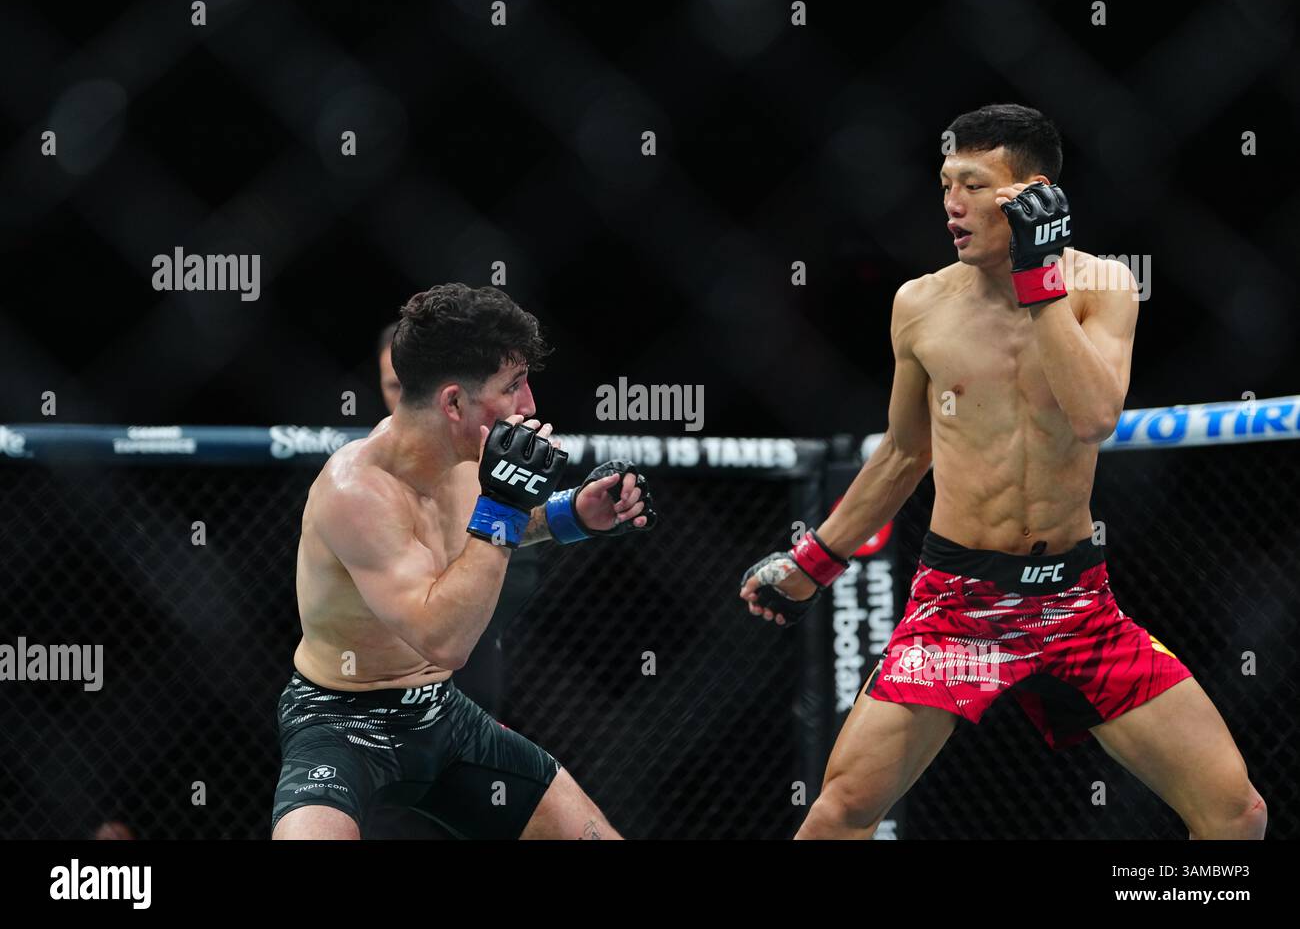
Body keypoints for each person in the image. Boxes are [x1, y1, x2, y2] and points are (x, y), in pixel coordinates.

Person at [739, 104, 1266, 840]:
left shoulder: (1104, 286)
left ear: (1030, 193)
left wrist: (1039, 277)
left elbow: (1093, 417)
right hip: (960, 605)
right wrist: (814, 562)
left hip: (1076, 604)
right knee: (842, 812)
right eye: (945, 184)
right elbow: (902, 452)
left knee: (1236, 813)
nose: (951, 204)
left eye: (973, 185)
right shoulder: (920, 305)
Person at [272, 283, 657, 839]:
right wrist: (502, 504)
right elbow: (444, 638)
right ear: (454, 403)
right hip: (341, 724)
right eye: (514, 387)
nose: (529, 407)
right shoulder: (356, 492)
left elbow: (472, 537)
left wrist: (572, 514)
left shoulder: (462, 454)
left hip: (443, 717)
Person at [375, 321, 535, 719]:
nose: (402, 399)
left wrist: (576, 512)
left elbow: (497, 531)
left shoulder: (473, 457)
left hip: (473, 641)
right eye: (393, 386)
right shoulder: (366, 481)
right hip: (392, 672)